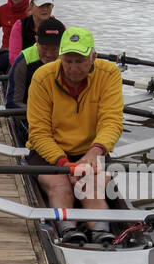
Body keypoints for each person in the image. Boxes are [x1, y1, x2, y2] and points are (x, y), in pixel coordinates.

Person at [26, 26, 124, 247]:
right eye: (67, 61)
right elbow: (39, 133)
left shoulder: (109, 74)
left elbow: (112, 121)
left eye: (79, 61)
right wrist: (64, 164)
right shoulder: (42, 77)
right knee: (60, 186)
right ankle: (68, 233)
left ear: (93, 57)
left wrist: (95, 151)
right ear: (61, 57)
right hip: (49, 151)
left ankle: (102, 234)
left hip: (90, 150)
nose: (72, 68)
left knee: (92, 186)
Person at [7, 15, 65, 137]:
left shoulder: (70, 60)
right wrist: (43, 115)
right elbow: (12, 104)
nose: (49, 54)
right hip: (31, 116)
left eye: (55, 49)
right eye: (44, 48)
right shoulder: (23, 61)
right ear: (36, 40)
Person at [7, 0, 55, 67]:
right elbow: (14, 58)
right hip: (24, 68)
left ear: (52, 6)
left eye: (48, 5)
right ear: (31, 6)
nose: (45, 9)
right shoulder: (20, 25)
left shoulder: (59, 27)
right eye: (41, 6)